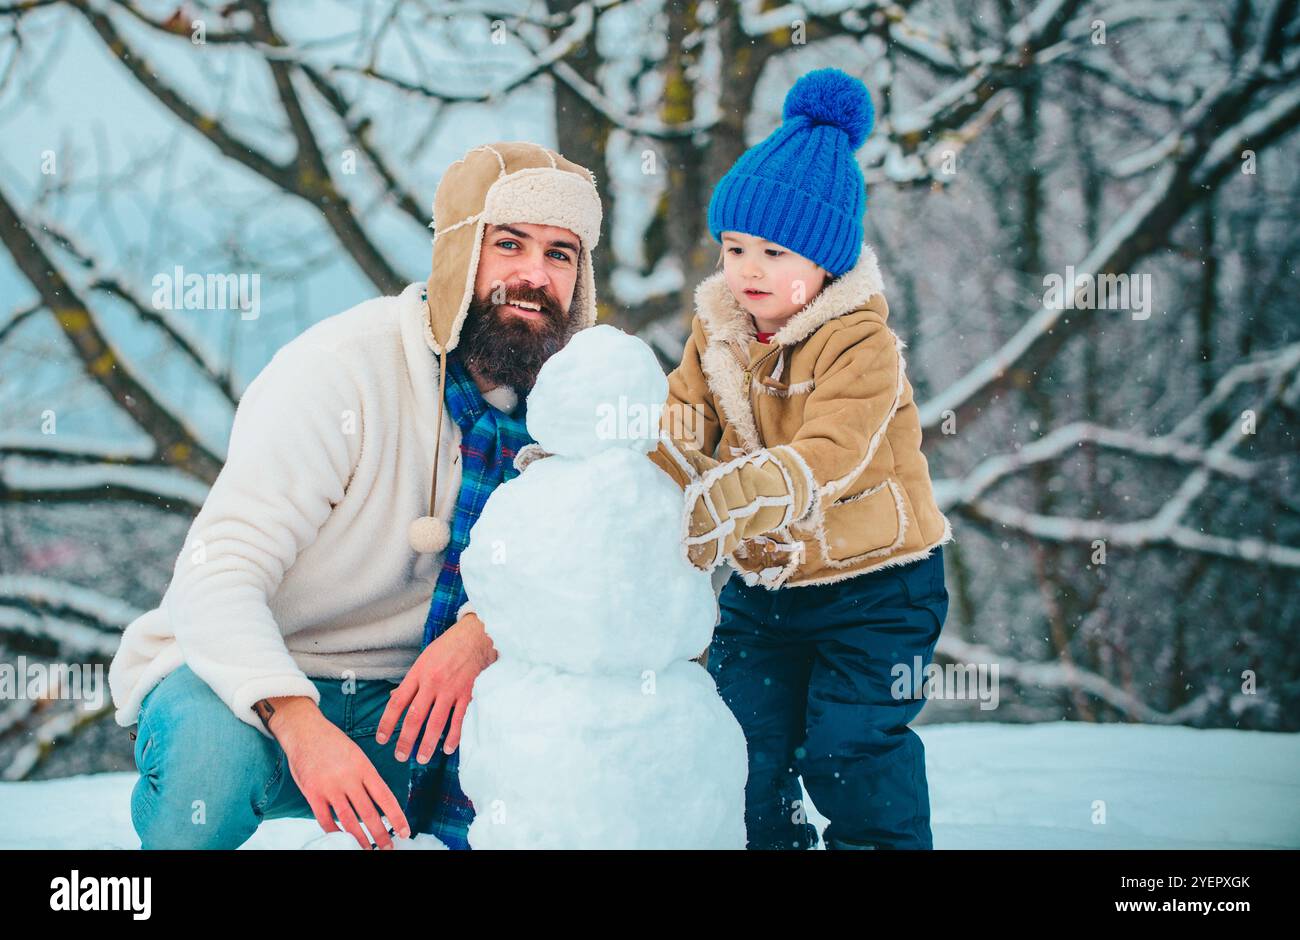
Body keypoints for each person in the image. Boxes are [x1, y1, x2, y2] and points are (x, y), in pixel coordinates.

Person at [109, 141, 603, 850]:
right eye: (510, 243)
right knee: (211, 765)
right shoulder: (339, 371)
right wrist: (300, 722)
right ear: (461, 253)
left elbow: (596, 570)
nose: (534, 274)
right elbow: (216, 575)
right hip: (247, 678)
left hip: (415, 701)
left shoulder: (570, 411)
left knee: (564, 752)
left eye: (561, 253)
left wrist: (487, 628)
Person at [649, 69, 954, 850]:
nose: (747, 268)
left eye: (772, 250)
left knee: (849, 752)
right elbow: (685, 421)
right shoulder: (717, 330)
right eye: (734, 246)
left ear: (822, 262)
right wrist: (629, 475)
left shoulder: (861, 341)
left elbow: (834, 450)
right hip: (770, 586)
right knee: (740, 748)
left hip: (879, 586)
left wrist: (750, 485)